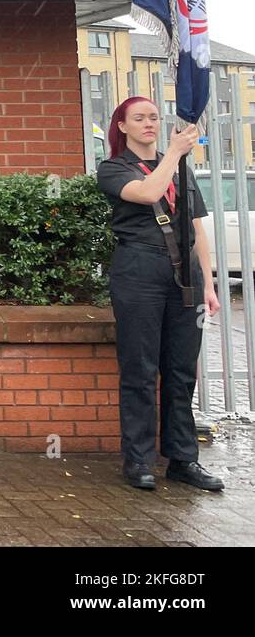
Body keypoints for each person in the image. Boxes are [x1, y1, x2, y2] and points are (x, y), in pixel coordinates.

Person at [96, 95, 223, 492]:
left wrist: (208, 282)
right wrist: (175, 153)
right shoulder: (113, 168)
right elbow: (149, 192)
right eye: (139, 118)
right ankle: (138, 461)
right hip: (139, 272)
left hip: (184, 275)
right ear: (122, 126)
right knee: (140, 370)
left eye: (154, 117)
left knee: (182, 372)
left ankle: (183, 459)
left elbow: (197, 227)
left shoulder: (179, 165)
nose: (149, 123)